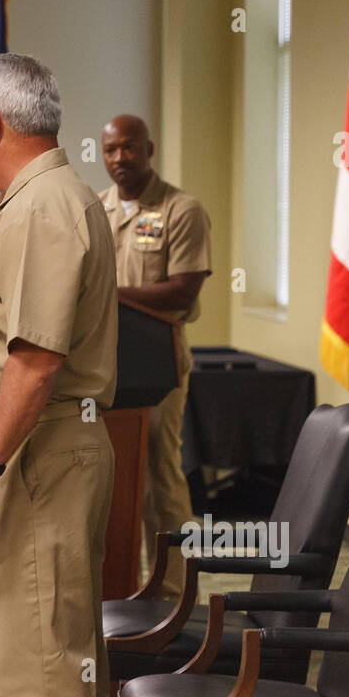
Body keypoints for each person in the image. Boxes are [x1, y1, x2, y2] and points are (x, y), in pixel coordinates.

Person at [0, 53, 119, 697]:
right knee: (51, 649)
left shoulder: (42, 207)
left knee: (40, 671)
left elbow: (37, 358)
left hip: (35, 452)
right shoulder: (36, 200)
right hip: (41, 449)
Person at [99, 114, 211, 598]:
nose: (119, 158)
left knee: (161, 476)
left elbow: (182, 290)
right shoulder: (96, 210)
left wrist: (106, 294)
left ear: (149, 147)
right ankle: (123, 589)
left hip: (160, 366)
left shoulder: (180, 209)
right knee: (116, 478)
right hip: (106, 368)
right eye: (110, 150)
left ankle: (173, 591)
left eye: (128, 148)